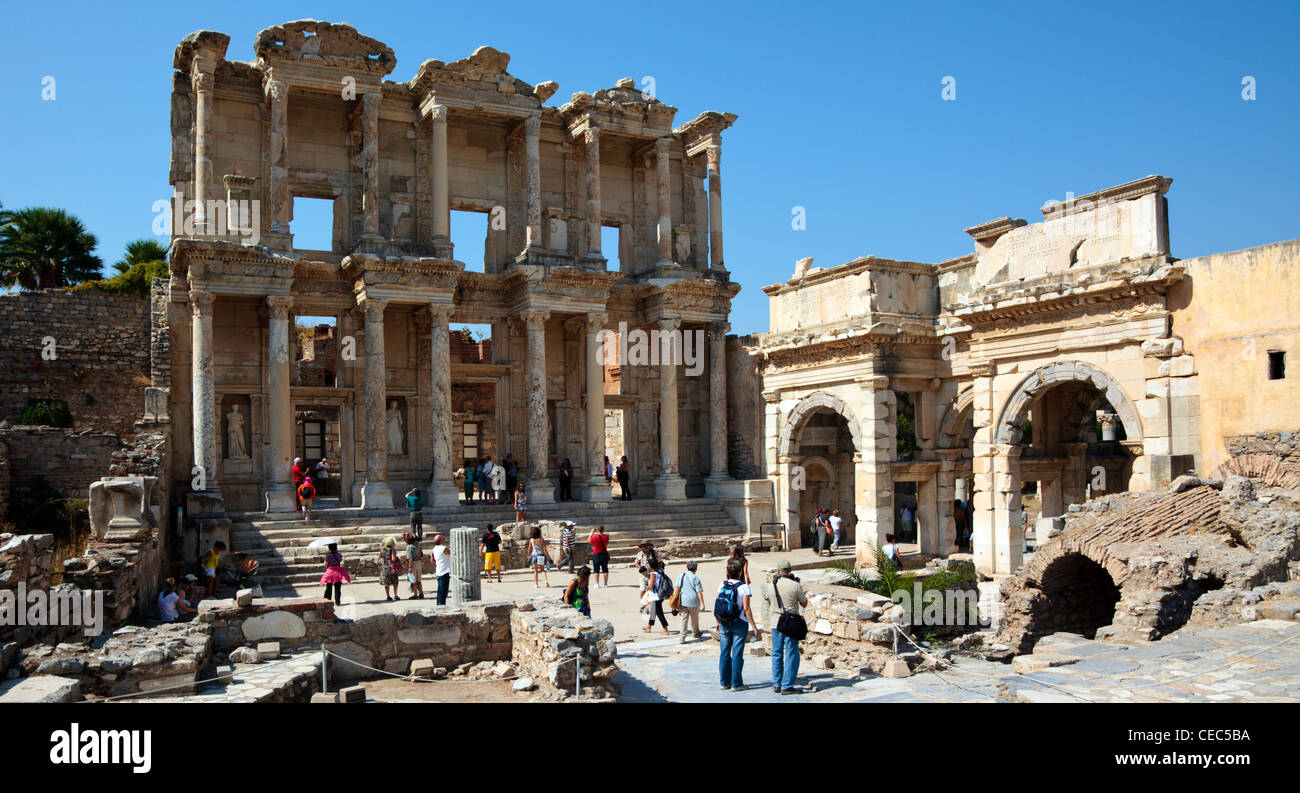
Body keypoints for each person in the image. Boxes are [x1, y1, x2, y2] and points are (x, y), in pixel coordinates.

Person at [764, 560, 808, 694]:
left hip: (776, 622)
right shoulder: (795, 585)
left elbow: (768, 600)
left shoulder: (771, 585)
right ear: (790, 571)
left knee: (776, 653)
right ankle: (787, 685)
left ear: (778, 571)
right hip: (790, 623)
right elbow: (804, 603)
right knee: (791, 653)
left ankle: (776, 683)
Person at [716, 556, 759, 691]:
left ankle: (724, 682)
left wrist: (717, 621)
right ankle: (736, 684)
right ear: (740, 572)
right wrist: (754, 626)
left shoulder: (722, 584)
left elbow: (719, 603)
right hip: (740, 622)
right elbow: (746, 609)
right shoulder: (744, 588)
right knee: (737, 654)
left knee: (724, 652)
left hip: (724, 622)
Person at [674, 560, 706, 643]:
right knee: (694, 618)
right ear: (695, 569)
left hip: (683, 601)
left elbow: (677, 588)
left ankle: (682, 637)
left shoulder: (681, 576)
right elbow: (699, 592)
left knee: (683, 619)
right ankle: (696, 632)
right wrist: (702, 603)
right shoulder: (695, 578)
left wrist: (675, 599)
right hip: (693, 601)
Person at [642, 560, 670, 634]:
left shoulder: (653, 574)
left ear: (650, 566)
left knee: (659, 613)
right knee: (653, 611)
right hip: (660, 595)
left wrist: (646, 587)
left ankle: (665, 629)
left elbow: (651, 586)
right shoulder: (660, 571)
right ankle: (649, 626)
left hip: (655, 596)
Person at [429, 533, 452, 605]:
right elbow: (451, 553)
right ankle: (441, 606)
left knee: (440, 590)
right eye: (443, 538)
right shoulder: (443, 548)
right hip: (444, 571)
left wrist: (437, 565)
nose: (444, 539)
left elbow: (432, 560)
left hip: (439, 571)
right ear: (441, 541)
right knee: (443, 591)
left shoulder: (434, 549)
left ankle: (438, 604)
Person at [379, 535, 402, 601]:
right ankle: (395, 595)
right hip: (392, 568)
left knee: (386, 583)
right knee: (395, 582)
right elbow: (393, 559)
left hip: (384, 568)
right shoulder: (393, 550)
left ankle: (388, 596)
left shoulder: (382, 549)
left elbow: (380, 556)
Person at [404, 532, 424, 600]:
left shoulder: (409, 548)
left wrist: (410, 567)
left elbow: (410, 558)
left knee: (414, 581)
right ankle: (421, 593)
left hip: (413, 564)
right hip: (419, 562)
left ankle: (415, 594)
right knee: (419, 580)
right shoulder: (417, 544)